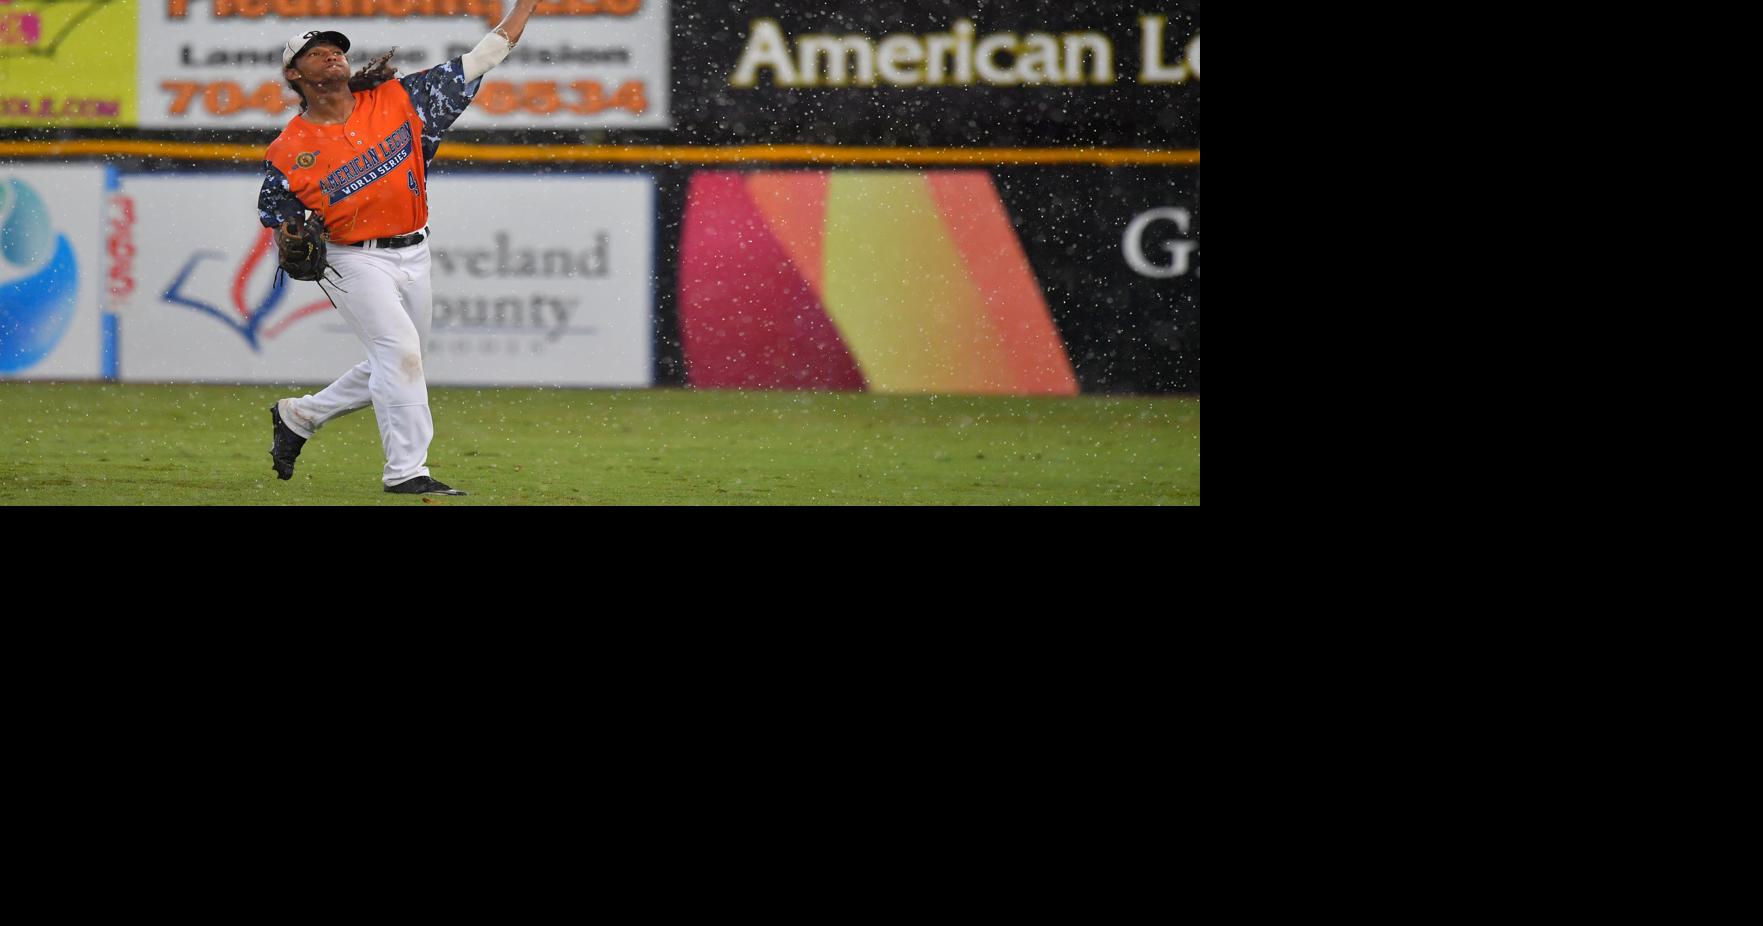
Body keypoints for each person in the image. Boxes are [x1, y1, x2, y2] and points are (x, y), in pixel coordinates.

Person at [258, 2, 540, 495]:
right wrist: (290, 234)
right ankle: (407, 471)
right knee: (399, 353)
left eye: (335, 50)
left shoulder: (400, 98)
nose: (331, 56)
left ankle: (301, 415)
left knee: (398, 360)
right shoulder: (288, 149)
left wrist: (527, 4)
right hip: (351, 258)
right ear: (293, 74)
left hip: (414, 248)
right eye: (316, 53)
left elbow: (485, 55)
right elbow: (278, 212)